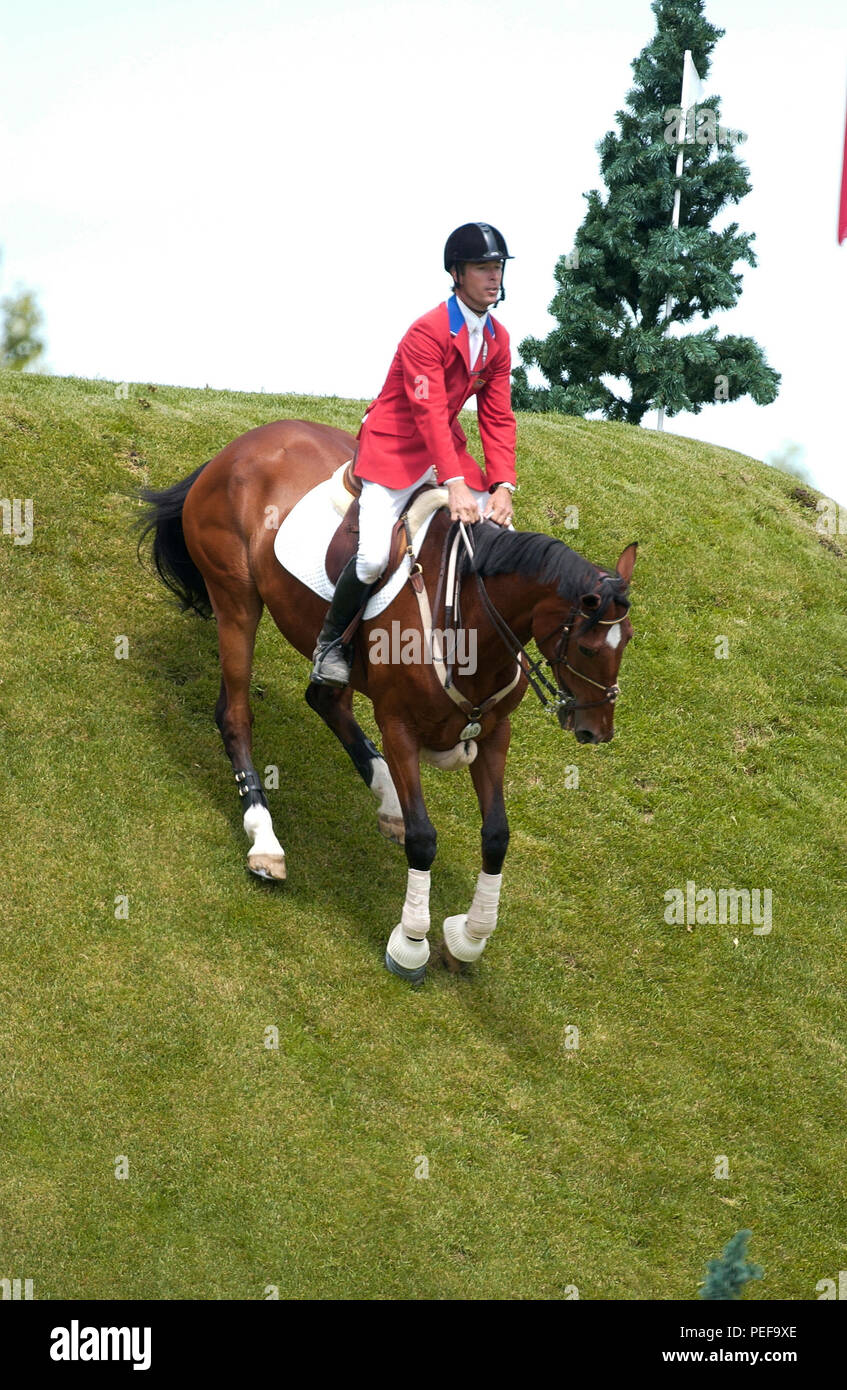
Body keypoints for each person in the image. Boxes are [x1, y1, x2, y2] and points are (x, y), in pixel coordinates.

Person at [310, 221, 518, 687]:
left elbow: (498, 417)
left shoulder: (499, 339)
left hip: (444, 447)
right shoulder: (426, 332)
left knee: (501, 535)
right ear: (457, 273)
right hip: (396, 445)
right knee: (371, 559)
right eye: (483, 268)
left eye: (498, 267)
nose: (494, 277)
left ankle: (479, 646)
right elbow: (425, 411)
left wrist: (503, 485)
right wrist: (456, 484)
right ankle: (331, 644)